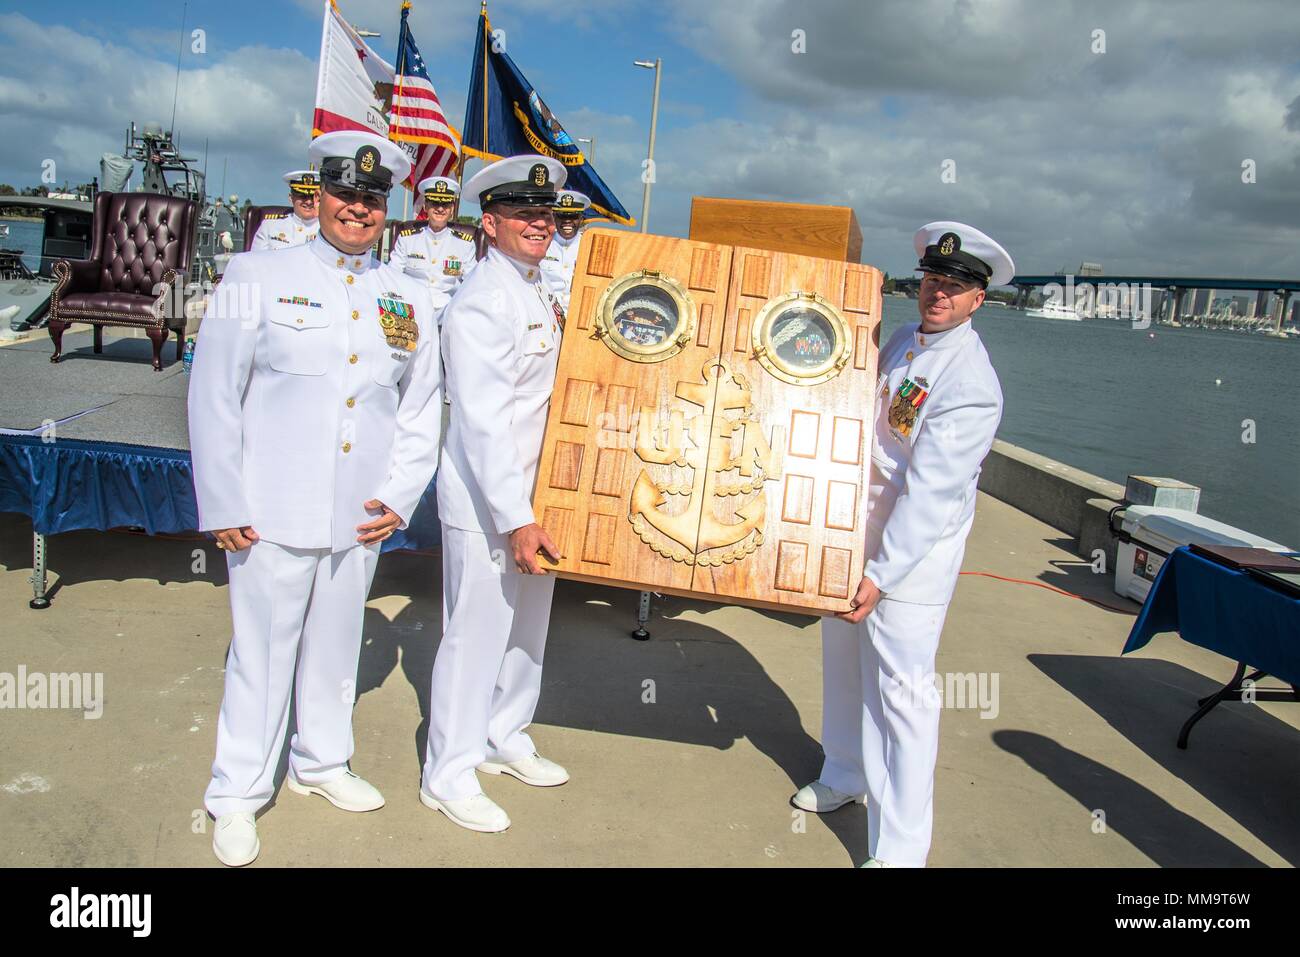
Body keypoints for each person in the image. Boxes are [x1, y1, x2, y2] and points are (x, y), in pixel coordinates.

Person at [189, 131, 443, 866]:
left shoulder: (410, 294)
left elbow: (420, 408)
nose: (356, 209)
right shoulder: (256, 272)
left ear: (385, 207)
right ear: (319, 195)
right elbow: (214, 396)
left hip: (359, 515)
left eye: (371, 198)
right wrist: (224, 499)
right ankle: (236, 792)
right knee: (261, 655)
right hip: (270, 509)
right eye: (344, 194)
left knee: (335, 650)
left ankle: (322, 762)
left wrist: (398, 494)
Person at [792, 221, 1014, 869]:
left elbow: (932, 490)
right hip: (850, 534)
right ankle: (844, 770)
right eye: (932, 279)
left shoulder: (970, 380)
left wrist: (883, 572)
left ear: (980, 299)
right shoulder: (900, 342)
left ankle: (901, 849)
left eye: (956, 285)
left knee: (901, 695)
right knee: (843, 661)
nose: (938, 292)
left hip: (907, 562)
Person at [421, 155, 569, 833]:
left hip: (536, 499)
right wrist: (515, 517)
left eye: (545, 214)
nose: (539, 223)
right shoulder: (482, 299)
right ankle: (448, 770)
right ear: (491, 222)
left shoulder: (536, 287)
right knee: (474, 634)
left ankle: (503, 733)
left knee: (528, 629)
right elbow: (481, 424)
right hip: (491, 503)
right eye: (524, 214)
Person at [388, 175, 477, 309]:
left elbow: (473, 282)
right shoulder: (407, 239)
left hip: (447, 311)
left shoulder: (465, 244)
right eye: (435, 203)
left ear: (452, 209)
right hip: (413, 307)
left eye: (445, 204)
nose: (440, 209)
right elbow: (391, 275)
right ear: (425, 206)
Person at [541, 188, 589, 312]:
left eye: (573, 216)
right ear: (554, 217)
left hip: (578, 315)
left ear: (581, 219)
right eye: (561, 216)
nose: (567, 221)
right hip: (547, 312)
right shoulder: (541, 244)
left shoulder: (590, 247)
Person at [249, 170, 321, 250]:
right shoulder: (269, 227)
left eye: (313, 197)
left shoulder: (327, 229)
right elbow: (255, 259)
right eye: (302, 196)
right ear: (291, 198)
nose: (308, 202)